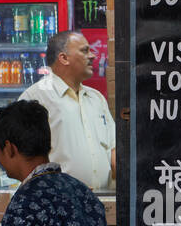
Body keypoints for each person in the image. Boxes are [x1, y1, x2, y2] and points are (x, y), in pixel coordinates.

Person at [19, 30, 116, 189]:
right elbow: (22, 159)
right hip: (59, 206)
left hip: (99, 202)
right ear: (63, 58)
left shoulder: (96, 98)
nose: (92, 56)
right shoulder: (35, 98)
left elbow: (113, 149)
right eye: (85, 51)